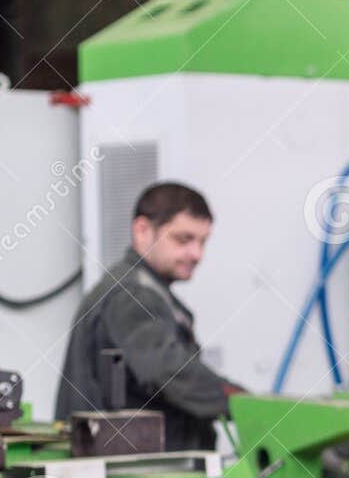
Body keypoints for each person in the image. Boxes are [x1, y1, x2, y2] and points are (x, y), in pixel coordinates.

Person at [55, 181, 241, 451]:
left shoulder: (147, 292)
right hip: (126, 475)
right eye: (183, 239)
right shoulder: (131, 294)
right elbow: (171, 373)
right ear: (142, 231)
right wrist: (245, 403)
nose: (197, 254)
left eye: (202, 242)